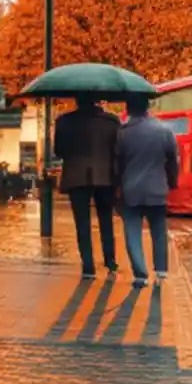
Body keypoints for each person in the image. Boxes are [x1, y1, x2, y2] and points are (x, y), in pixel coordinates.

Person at [53, 94, 121, 278]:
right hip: (105, 176)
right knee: (106, 220)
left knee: (82, 223)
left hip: (76, 176)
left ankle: (88, 265)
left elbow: (58, 151)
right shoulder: (112, 122)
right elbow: (118, 150)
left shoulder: (65, 121)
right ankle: (110, 260)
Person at [115, 95, 179, 288]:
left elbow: (117, 164)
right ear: (147, 107)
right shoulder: (164, 130)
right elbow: (172, 162)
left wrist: (117, 188)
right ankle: (160, 271)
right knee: (159, 231)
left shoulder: (123, 133)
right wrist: (172, 182)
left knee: (132, 231)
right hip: (157, 188)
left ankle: (140, 273)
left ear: (128, 109)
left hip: (131, 189)